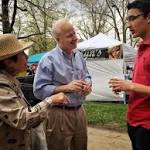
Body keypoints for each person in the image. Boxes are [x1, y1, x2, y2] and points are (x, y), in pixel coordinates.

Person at [0, 34, 69, 150]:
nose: (27, 57)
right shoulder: (2, 87)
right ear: (9, 62)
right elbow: (22, 119)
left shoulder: (10, 81)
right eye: (22, 53)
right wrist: (51, 100)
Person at [33, 19, 92, 150]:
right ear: (58, 39)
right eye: (70, 35)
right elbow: (38, 90)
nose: (75, 38)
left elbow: (87, 75)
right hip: (58, 114)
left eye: (75, 33)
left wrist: (88, 85)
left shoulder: (79, 56)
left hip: (80, 111)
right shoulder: (48, 59)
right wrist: (66, 87)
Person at [109, 1, 150, 150]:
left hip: (147, 126)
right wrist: (125, 87)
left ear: (148, 17)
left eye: (133, 18)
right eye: (127, 20)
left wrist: (130, 85)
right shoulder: (141, 46)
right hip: (133, 121)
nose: (128, 24)